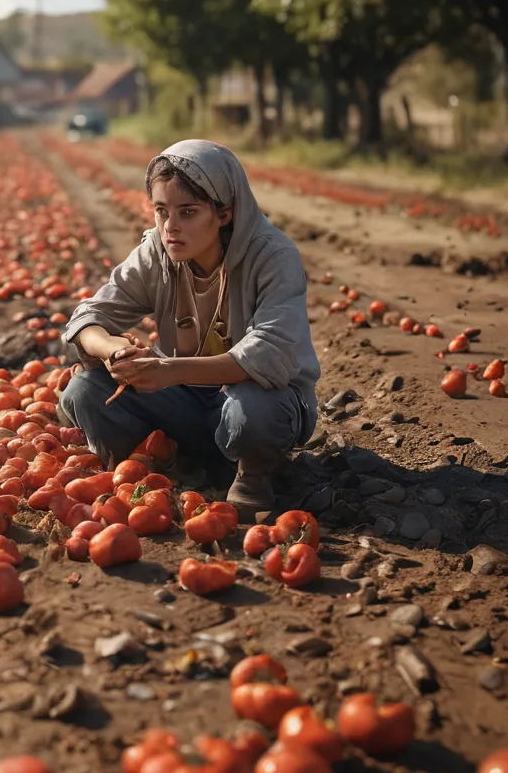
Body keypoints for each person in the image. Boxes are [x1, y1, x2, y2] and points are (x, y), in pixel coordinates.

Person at [59, 139, 320, 519]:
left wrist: (169, 371)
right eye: (161, 211)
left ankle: (256, 472)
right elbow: (89, 316)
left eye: (188, 212)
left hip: (253, 400)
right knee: (85, 390)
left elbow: (267, 353)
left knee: (255, 410)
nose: (170, 227)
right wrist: (112, 349)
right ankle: (166, 460)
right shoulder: (157, 252)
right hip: (185, 398)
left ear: (224, 213)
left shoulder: (273, 256)